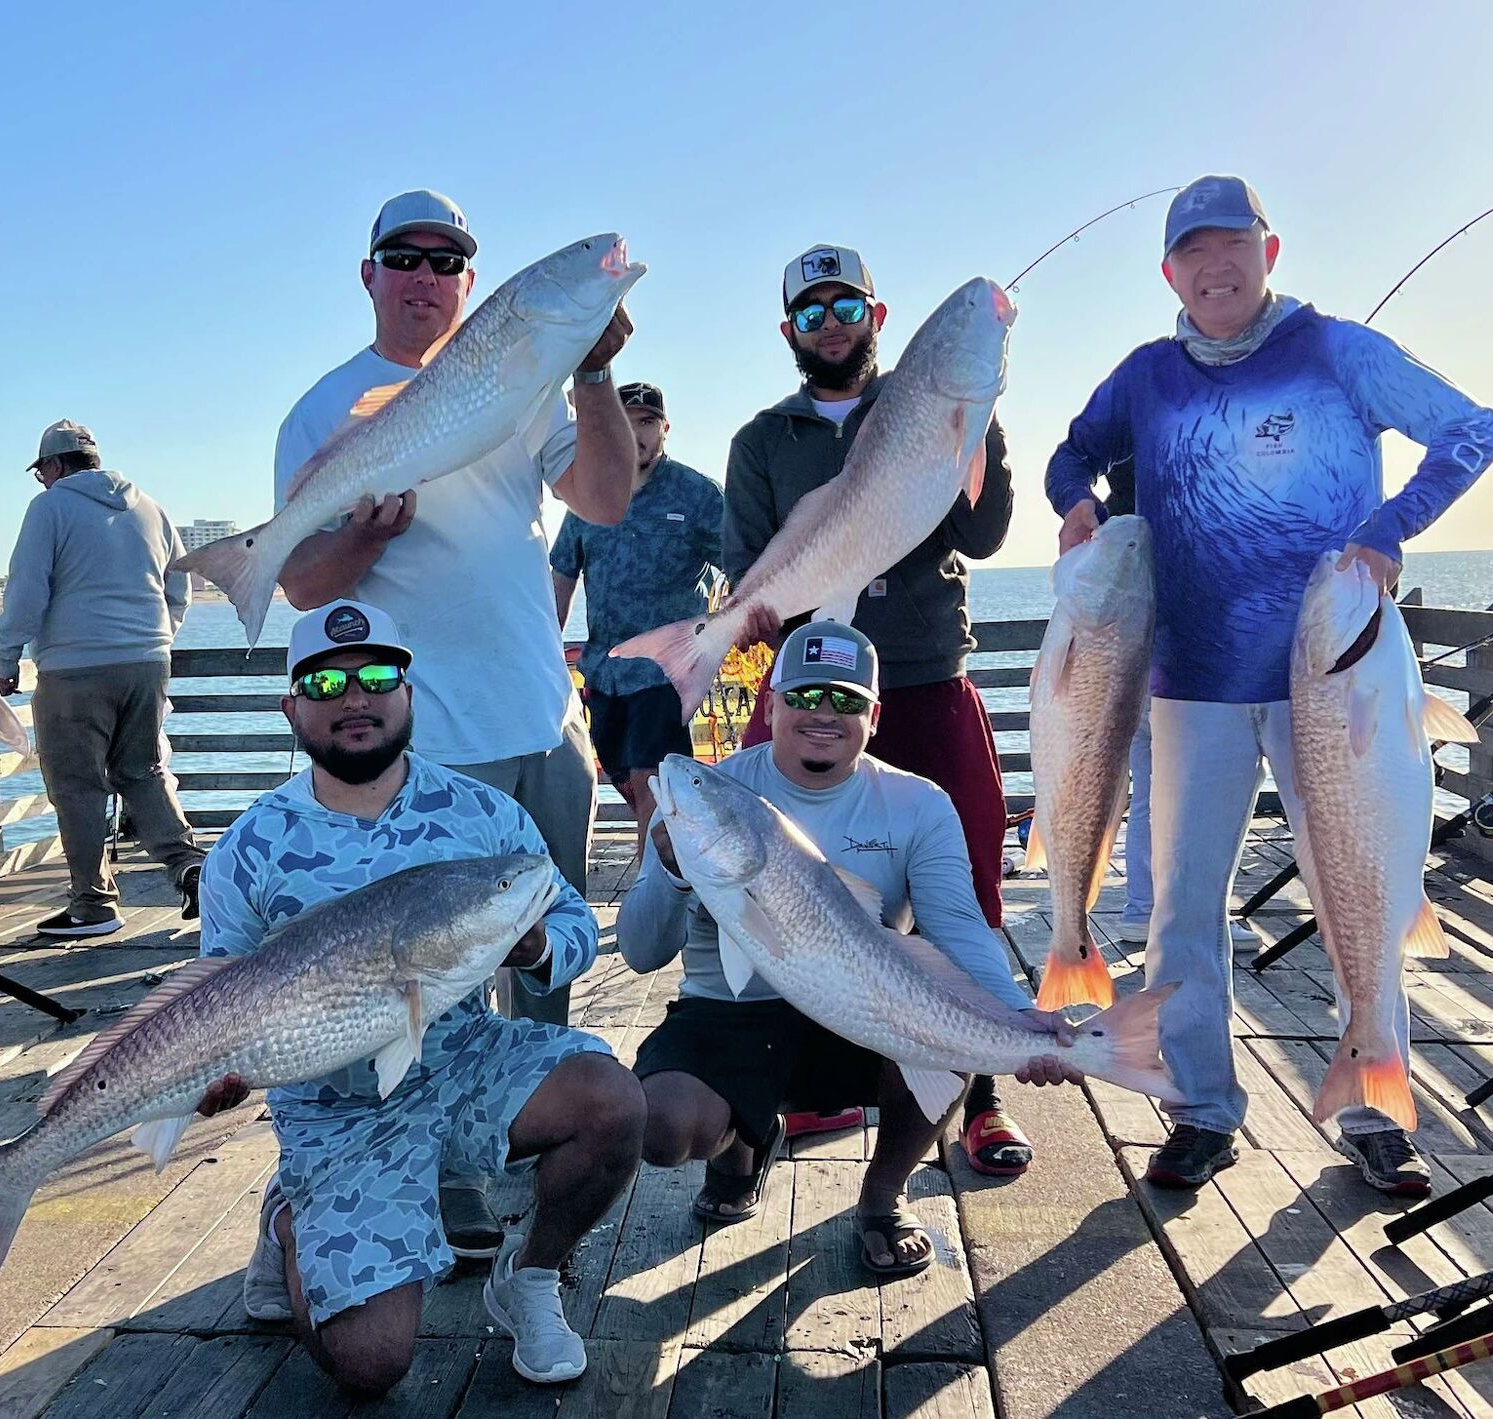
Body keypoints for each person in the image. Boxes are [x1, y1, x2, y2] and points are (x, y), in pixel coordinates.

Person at [1045, 175, 1493, 1196]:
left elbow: (1472, 430)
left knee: (1367, 886)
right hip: (1186, 684)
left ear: (1269, 250)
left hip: (1331, 688)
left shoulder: (1338, 351)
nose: (1214, 267)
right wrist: (1076, 499)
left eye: (1232, 246)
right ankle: (1201, 1107)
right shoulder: (1144, 375)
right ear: (1168, 272)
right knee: (1177, 912)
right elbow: (1069, 452)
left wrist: (1387, 530)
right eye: (1191, 253)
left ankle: (1373, 1092)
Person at [272, 189, 636, 1255]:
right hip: (424, 748)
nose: (425, 275)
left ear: (473, 283)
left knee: (548, 958)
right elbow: (299, 586)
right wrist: (364, 544)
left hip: (542, 721)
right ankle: (447, 1178)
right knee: (431, 981)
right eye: (404, 257)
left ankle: (539, 1141)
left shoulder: (522, 381)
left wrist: (594, 370)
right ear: (369, 273)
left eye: (448, 260)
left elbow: (605, 501)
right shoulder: (325, 408)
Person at [194, 599, 645, 1395]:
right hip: (336, 1108)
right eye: (326, 681)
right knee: (368, 1366)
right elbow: (216, 989)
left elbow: (571, 916)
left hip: (467, 1055)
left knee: (613, 1101)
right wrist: (210, 1077)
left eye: (377, 675)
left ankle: (531, 1275)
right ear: (291, 706)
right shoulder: (251, 844)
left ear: (409, 691)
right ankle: (293, 1213)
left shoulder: (480, 813)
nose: (354, 696)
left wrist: (540, 944)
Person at [618, 621, 1084, 1276]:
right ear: (770, 703)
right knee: (660, 1127)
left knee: (952, 1047)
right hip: (729, 1011)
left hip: (861, 1001)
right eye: (805, 696)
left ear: (875, 715)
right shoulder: (711, 795)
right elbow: (639, 951)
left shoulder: (917, 802)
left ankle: (883, 1197)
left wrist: (1018, 1014)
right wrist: (668, 871)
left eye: (844, 700)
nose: (822, 714)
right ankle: (742, 1143)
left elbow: (958, 926)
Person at [723, 244, 1032, 1176]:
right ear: (788, 333)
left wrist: (977, 422)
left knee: (970, 882)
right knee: (779, 885)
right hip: (809, 691)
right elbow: (748, 568)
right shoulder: (761, 442)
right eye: (810, 313)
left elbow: (983, 533)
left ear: (878, 314)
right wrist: (756, 618)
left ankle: (979, 1093)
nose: (830, 325)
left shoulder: (931, 404)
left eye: (844, 305)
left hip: (929, 672)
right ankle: (801, 1088)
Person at [0, 419, 206, 937]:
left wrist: (6, 657)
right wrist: (156, 639)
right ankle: (190, 868)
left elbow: (27, 588)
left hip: (73, 667)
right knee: (144, 770)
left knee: (78, 785)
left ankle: (94, 904)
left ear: (57, 465)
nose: (41, 481)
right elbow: (180, 588)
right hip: (147, 661)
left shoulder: (50, 508)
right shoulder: (150, 508)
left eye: (42, 470)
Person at [551, 382, 723, 854]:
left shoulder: (698, 495)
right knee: (630, 782)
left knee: (655, 782)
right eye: (625, 423)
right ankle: (676, 875)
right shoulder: (585, 499)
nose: (636, 433)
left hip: (668, 675)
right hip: (605, 675)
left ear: (665, 429)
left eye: (647, 422)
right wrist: (542, 653)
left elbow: (746, 564)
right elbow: (560, 580)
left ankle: (653, 911)